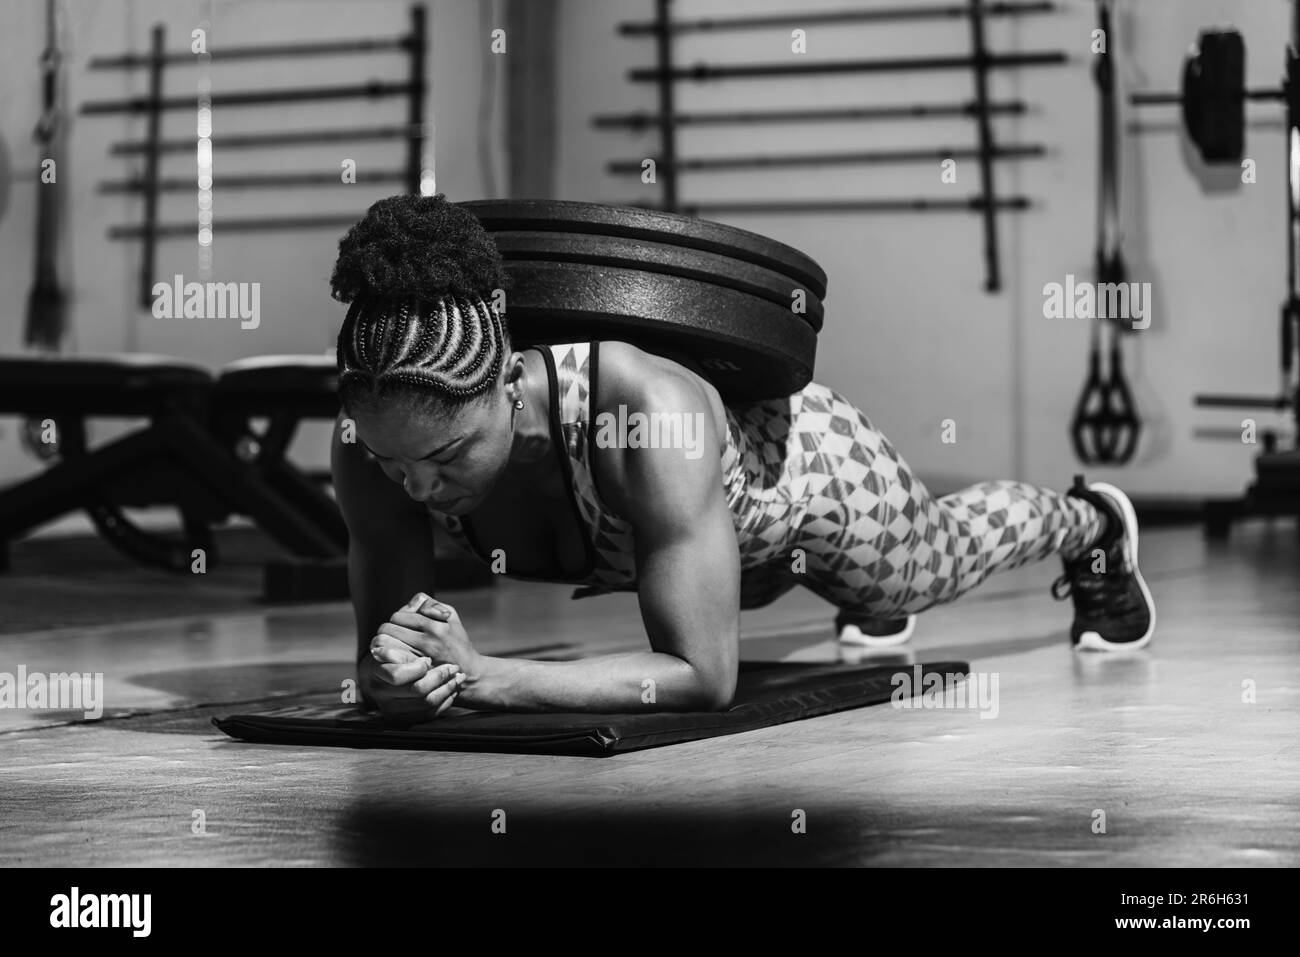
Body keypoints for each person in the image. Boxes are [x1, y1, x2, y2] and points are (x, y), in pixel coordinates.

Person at [330, 194, 1156, 721]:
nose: (419, 485)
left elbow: (700, 676)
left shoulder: (642, 413)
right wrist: (396, 678)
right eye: (395, 462)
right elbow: (386, 657)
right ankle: (859, 603)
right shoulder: (373, 453)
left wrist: (485, 678)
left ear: (511, 382)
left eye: (445, 454)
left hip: (801, 480)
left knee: (927, 565)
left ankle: (1091, 522)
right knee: (726, 581)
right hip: (699, 550)